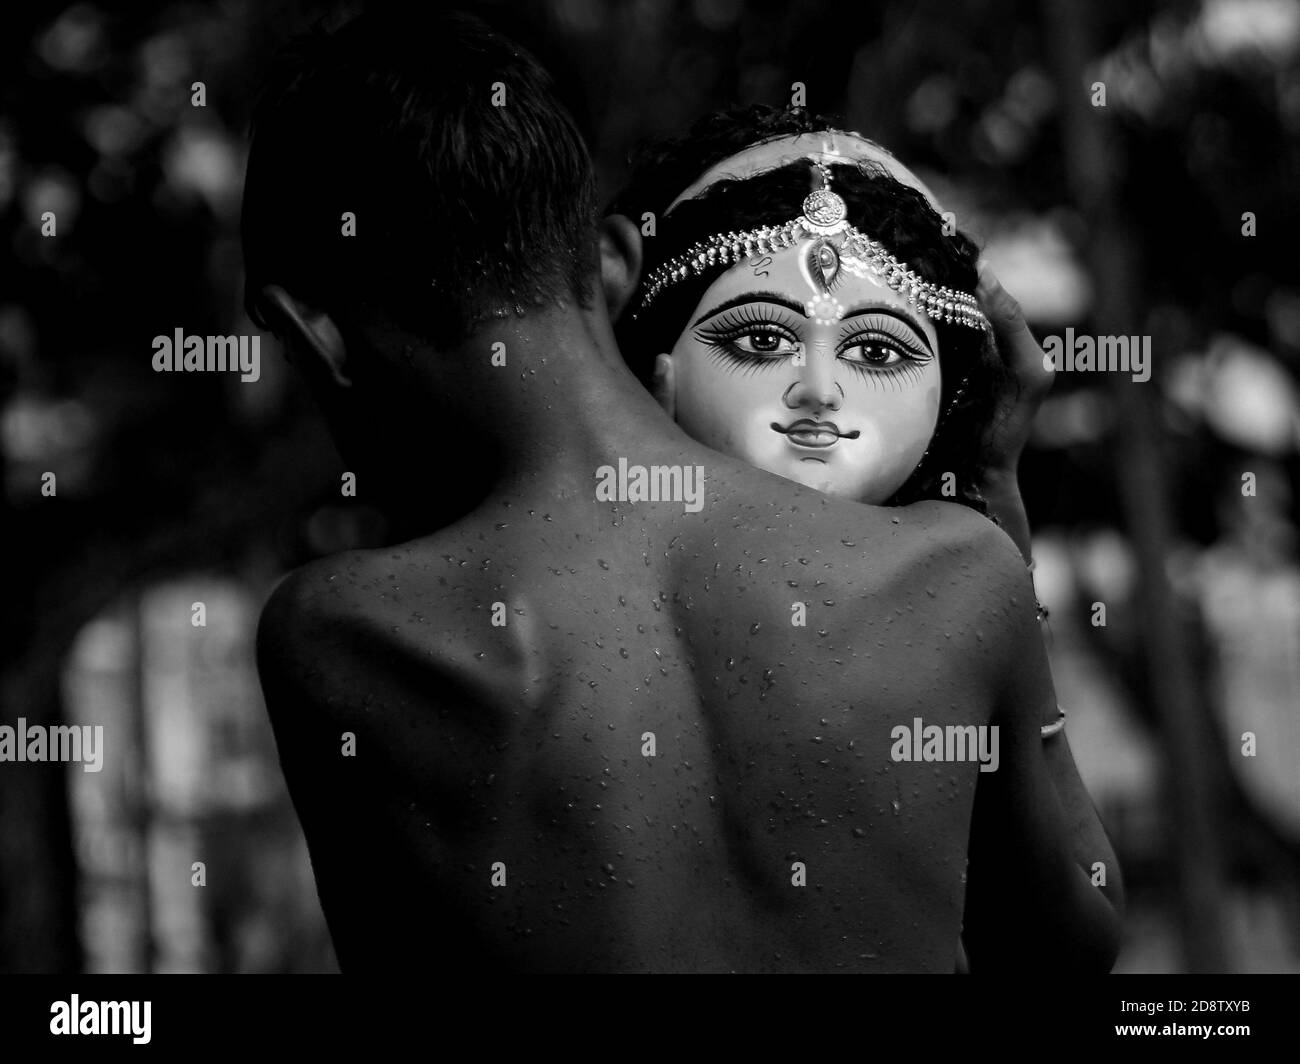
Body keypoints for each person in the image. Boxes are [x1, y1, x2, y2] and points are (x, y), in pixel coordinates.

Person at [247, 11, 1121, 971]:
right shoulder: (957, 574)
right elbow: (1068, 951)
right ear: (615, 263)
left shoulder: (342, 639)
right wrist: (995, 508)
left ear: (313, 336)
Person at [607, 105, 1123, 967]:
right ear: (654, 362)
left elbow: (1073, 941)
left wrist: (995, 515)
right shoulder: (961, 583)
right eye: (761, 338)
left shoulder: (960, 583)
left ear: (950, 399)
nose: (817, 389)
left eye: (877, 353)